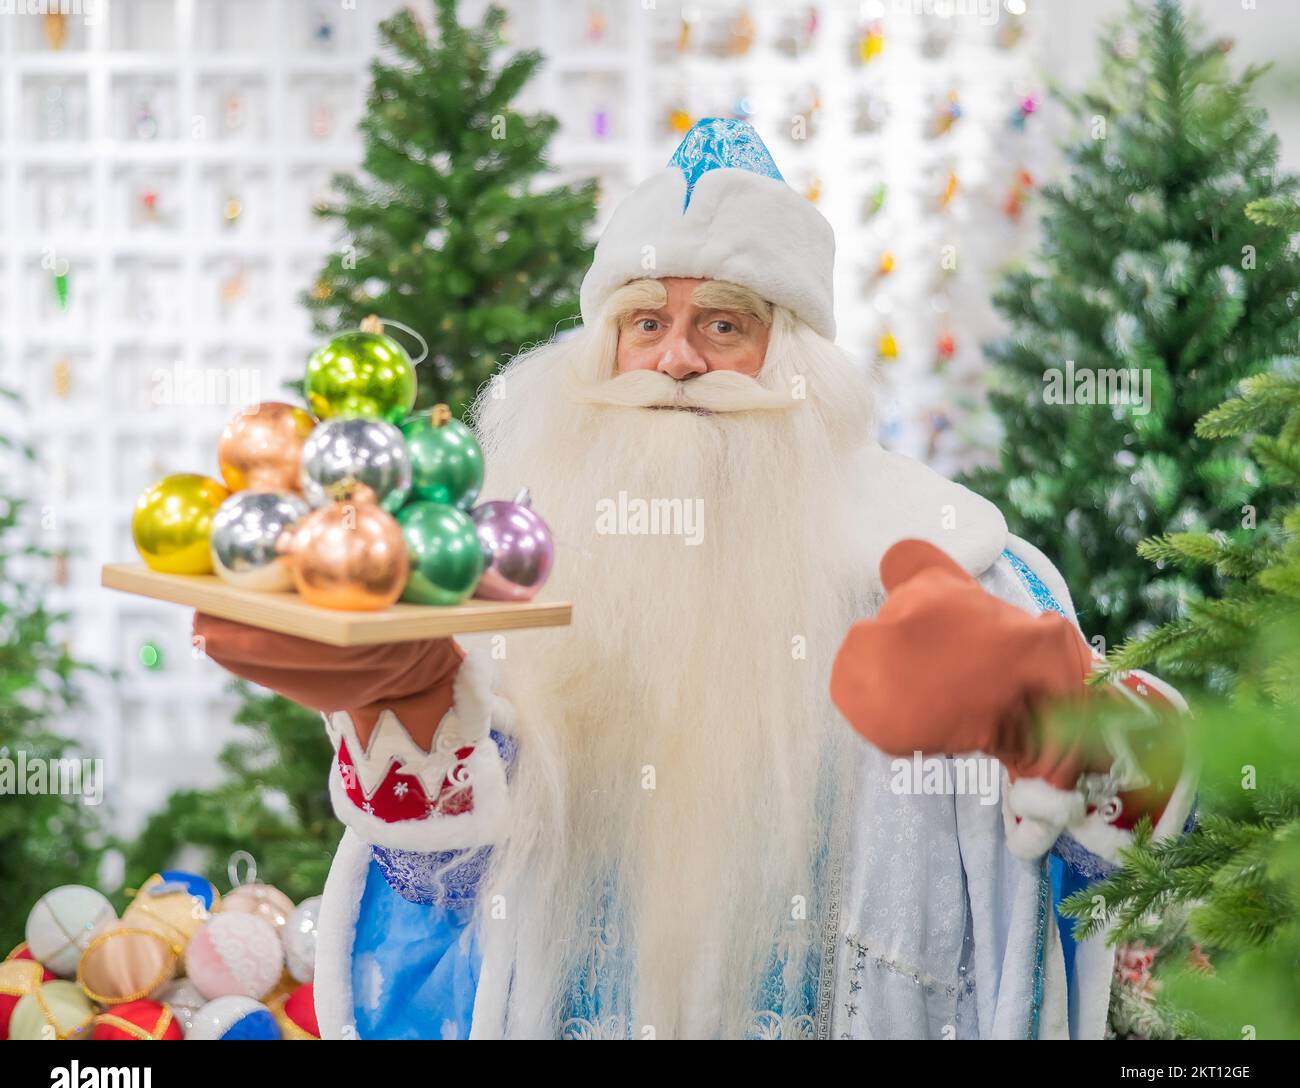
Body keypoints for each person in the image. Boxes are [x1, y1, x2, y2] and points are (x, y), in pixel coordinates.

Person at [195, 118, 1196, 1040]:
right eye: (642, 322)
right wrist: (407, 705)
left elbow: (1112, 866)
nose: (673, 359)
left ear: (793, 361)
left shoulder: (951, 564)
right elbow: (444, 894)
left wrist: (1055, 721)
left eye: (722, 324)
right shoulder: (498, 572)